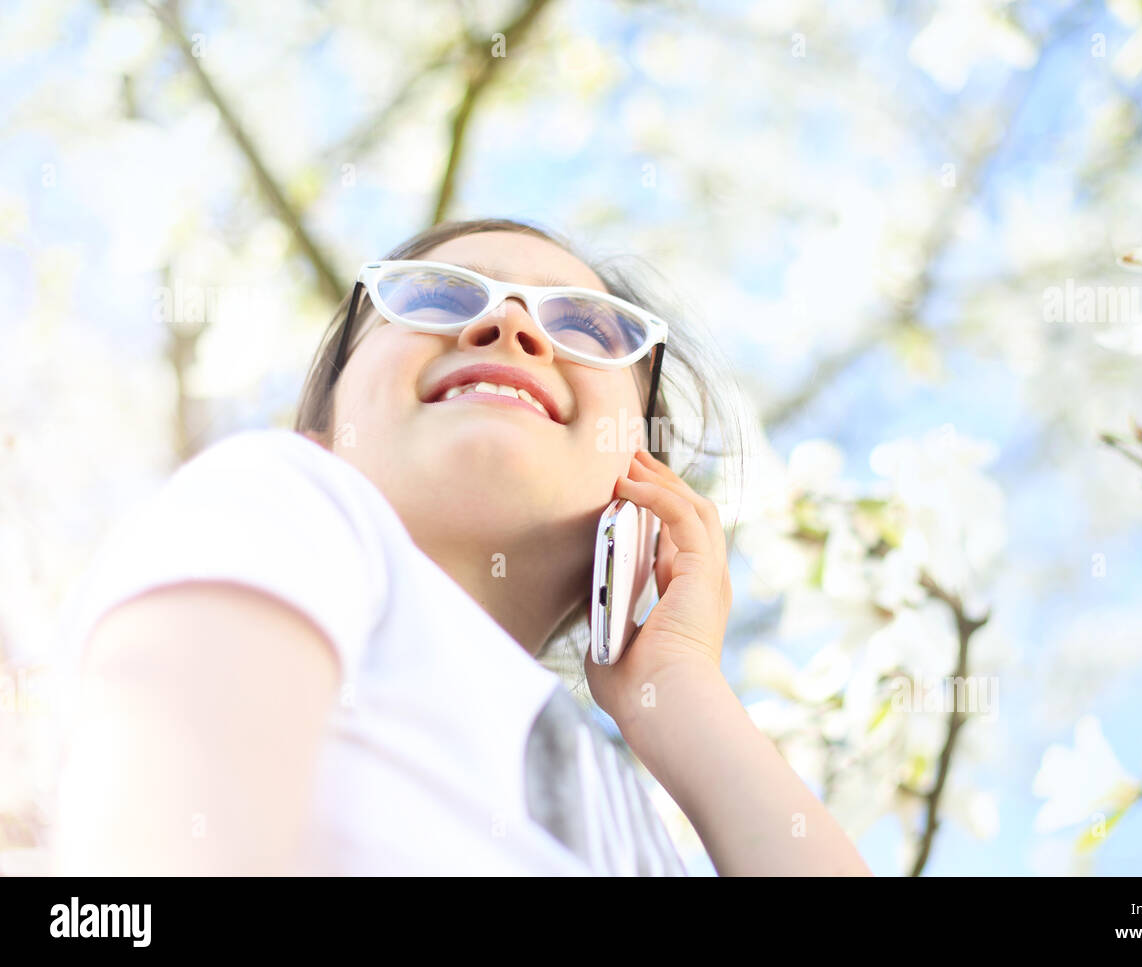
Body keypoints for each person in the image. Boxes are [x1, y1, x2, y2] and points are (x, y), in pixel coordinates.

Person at [50, 217, 872, 876]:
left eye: (586, 325)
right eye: (437, 296)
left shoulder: (625, 806)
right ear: (324, 433)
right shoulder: (281, 500)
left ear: (640, 489)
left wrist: (681, 687)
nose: (511, 322)